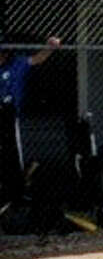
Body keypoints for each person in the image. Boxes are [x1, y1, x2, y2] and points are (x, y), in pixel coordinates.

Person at [0, 33, 60, 200]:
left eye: (3, 52)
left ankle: (17, 188)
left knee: (12, 151)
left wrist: (50, 47)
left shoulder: (16, 63)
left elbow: (37, 59)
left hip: (10, 113)